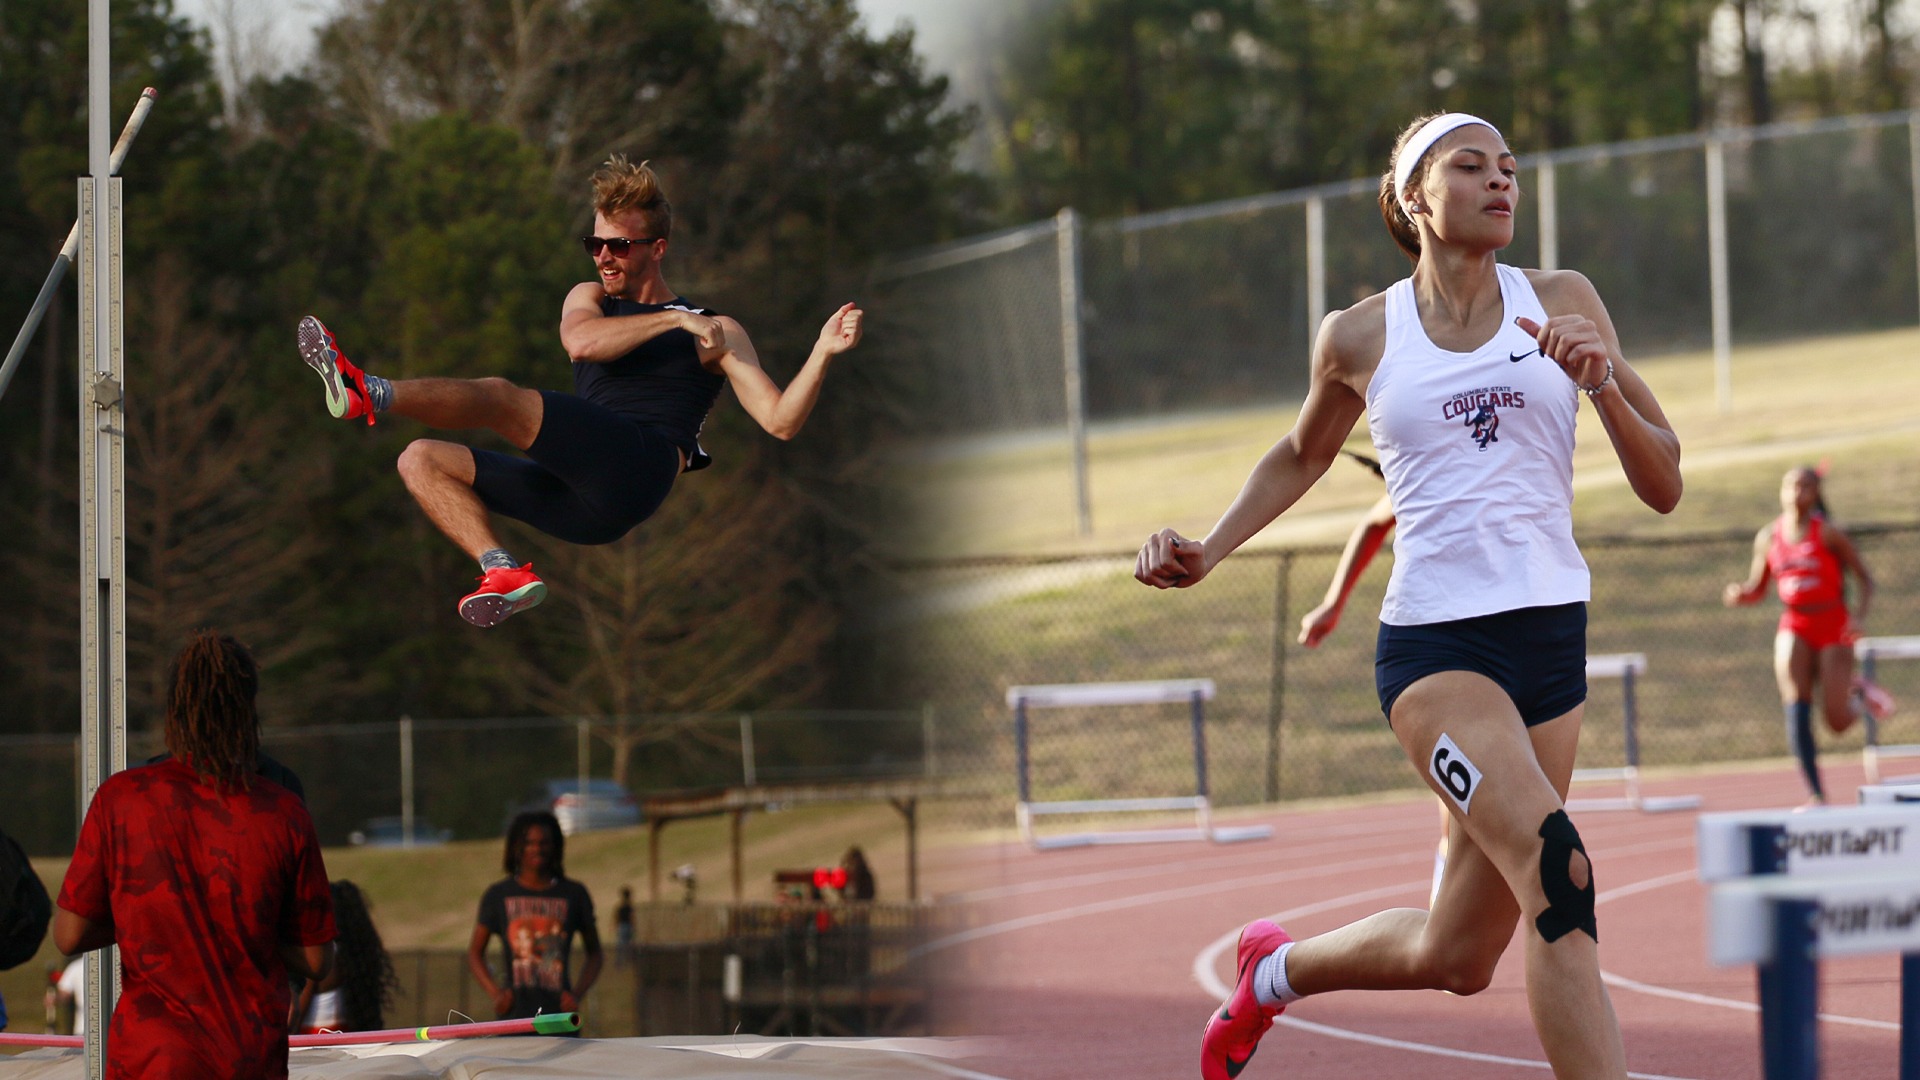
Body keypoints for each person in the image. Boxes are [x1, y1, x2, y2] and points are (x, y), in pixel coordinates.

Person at [1136, 113, 1682, 1080]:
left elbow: (1665, 481)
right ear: (1414, 197)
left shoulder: (1562, 298)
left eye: (1510, 168)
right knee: (1562, 874)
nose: (1501, 181)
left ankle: (1273, 974)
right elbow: (1302, 454)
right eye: (1472, 166)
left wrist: (1600, 386)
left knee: (1459, 955)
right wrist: (1209, 548)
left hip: (1551, 644)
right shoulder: (1359, 334)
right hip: (1436, 653)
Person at [298, 155, 866, 627]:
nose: (602, 257)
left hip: (640, 466)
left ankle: (366, 391)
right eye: (595, 244)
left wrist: (821, 352)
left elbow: (781, 421)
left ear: (658, 248)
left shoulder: (716, 330)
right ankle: (504, 571)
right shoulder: (591, 298)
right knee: (419, 459)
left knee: (500, 395)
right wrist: (670, 321)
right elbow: (582, 343)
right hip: (586, 504)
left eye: (617, 246)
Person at [53, 631, 336, 1079]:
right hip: (248, 1054)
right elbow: (318, 959)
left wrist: (155, 921)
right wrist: (239, 926)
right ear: (249, 709)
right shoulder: (282, 808)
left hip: (152, 1056)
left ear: (175, 706)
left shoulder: (122, 799)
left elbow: (68, 935)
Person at [1722, 466, 1877, 805]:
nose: (1797, 492)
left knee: (1835, 722)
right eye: (1791, 485)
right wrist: (1740, 594)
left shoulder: (1829, 533)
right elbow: (1758, 588)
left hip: (1833, 624)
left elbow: (1865, 578)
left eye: (1806, 486)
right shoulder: (1769, 537)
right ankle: (1816, 793)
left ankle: (1861, 697)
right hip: (1795, 625)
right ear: (1782, 490)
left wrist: (1859, 618)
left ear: (1817, 492)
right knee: (1796, 706)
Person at [467, 811, 602, 1025]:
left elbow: (595, 953)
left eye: (544, 843)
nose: (537, 849)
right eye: (529, 843)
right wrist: (496, 994)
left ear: (555, 846)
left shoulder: (574, 894)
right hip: (513, 1018)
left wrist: (576, 994)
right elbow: (475, 952)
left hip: (559, 1018)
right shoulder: (499, 894)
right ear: (516, 848)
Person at [295, 881, 398, 1034]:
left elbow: (292, 1018)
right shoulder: (351, 958)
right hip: (345, 1045)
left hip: (314, 1049)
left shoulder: (319, 956)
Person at [612, 886, 635, 964]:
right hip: (628, 926)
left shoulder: (621, 906)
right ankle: (627, 960)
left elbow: (616, 916)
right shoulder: (629, 906)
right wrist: (633, 926)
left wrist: (616, 925)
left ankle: (620, 961)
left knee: (621, 944)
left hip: (622, 926)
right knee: (628, 944)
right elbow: (632, 917)